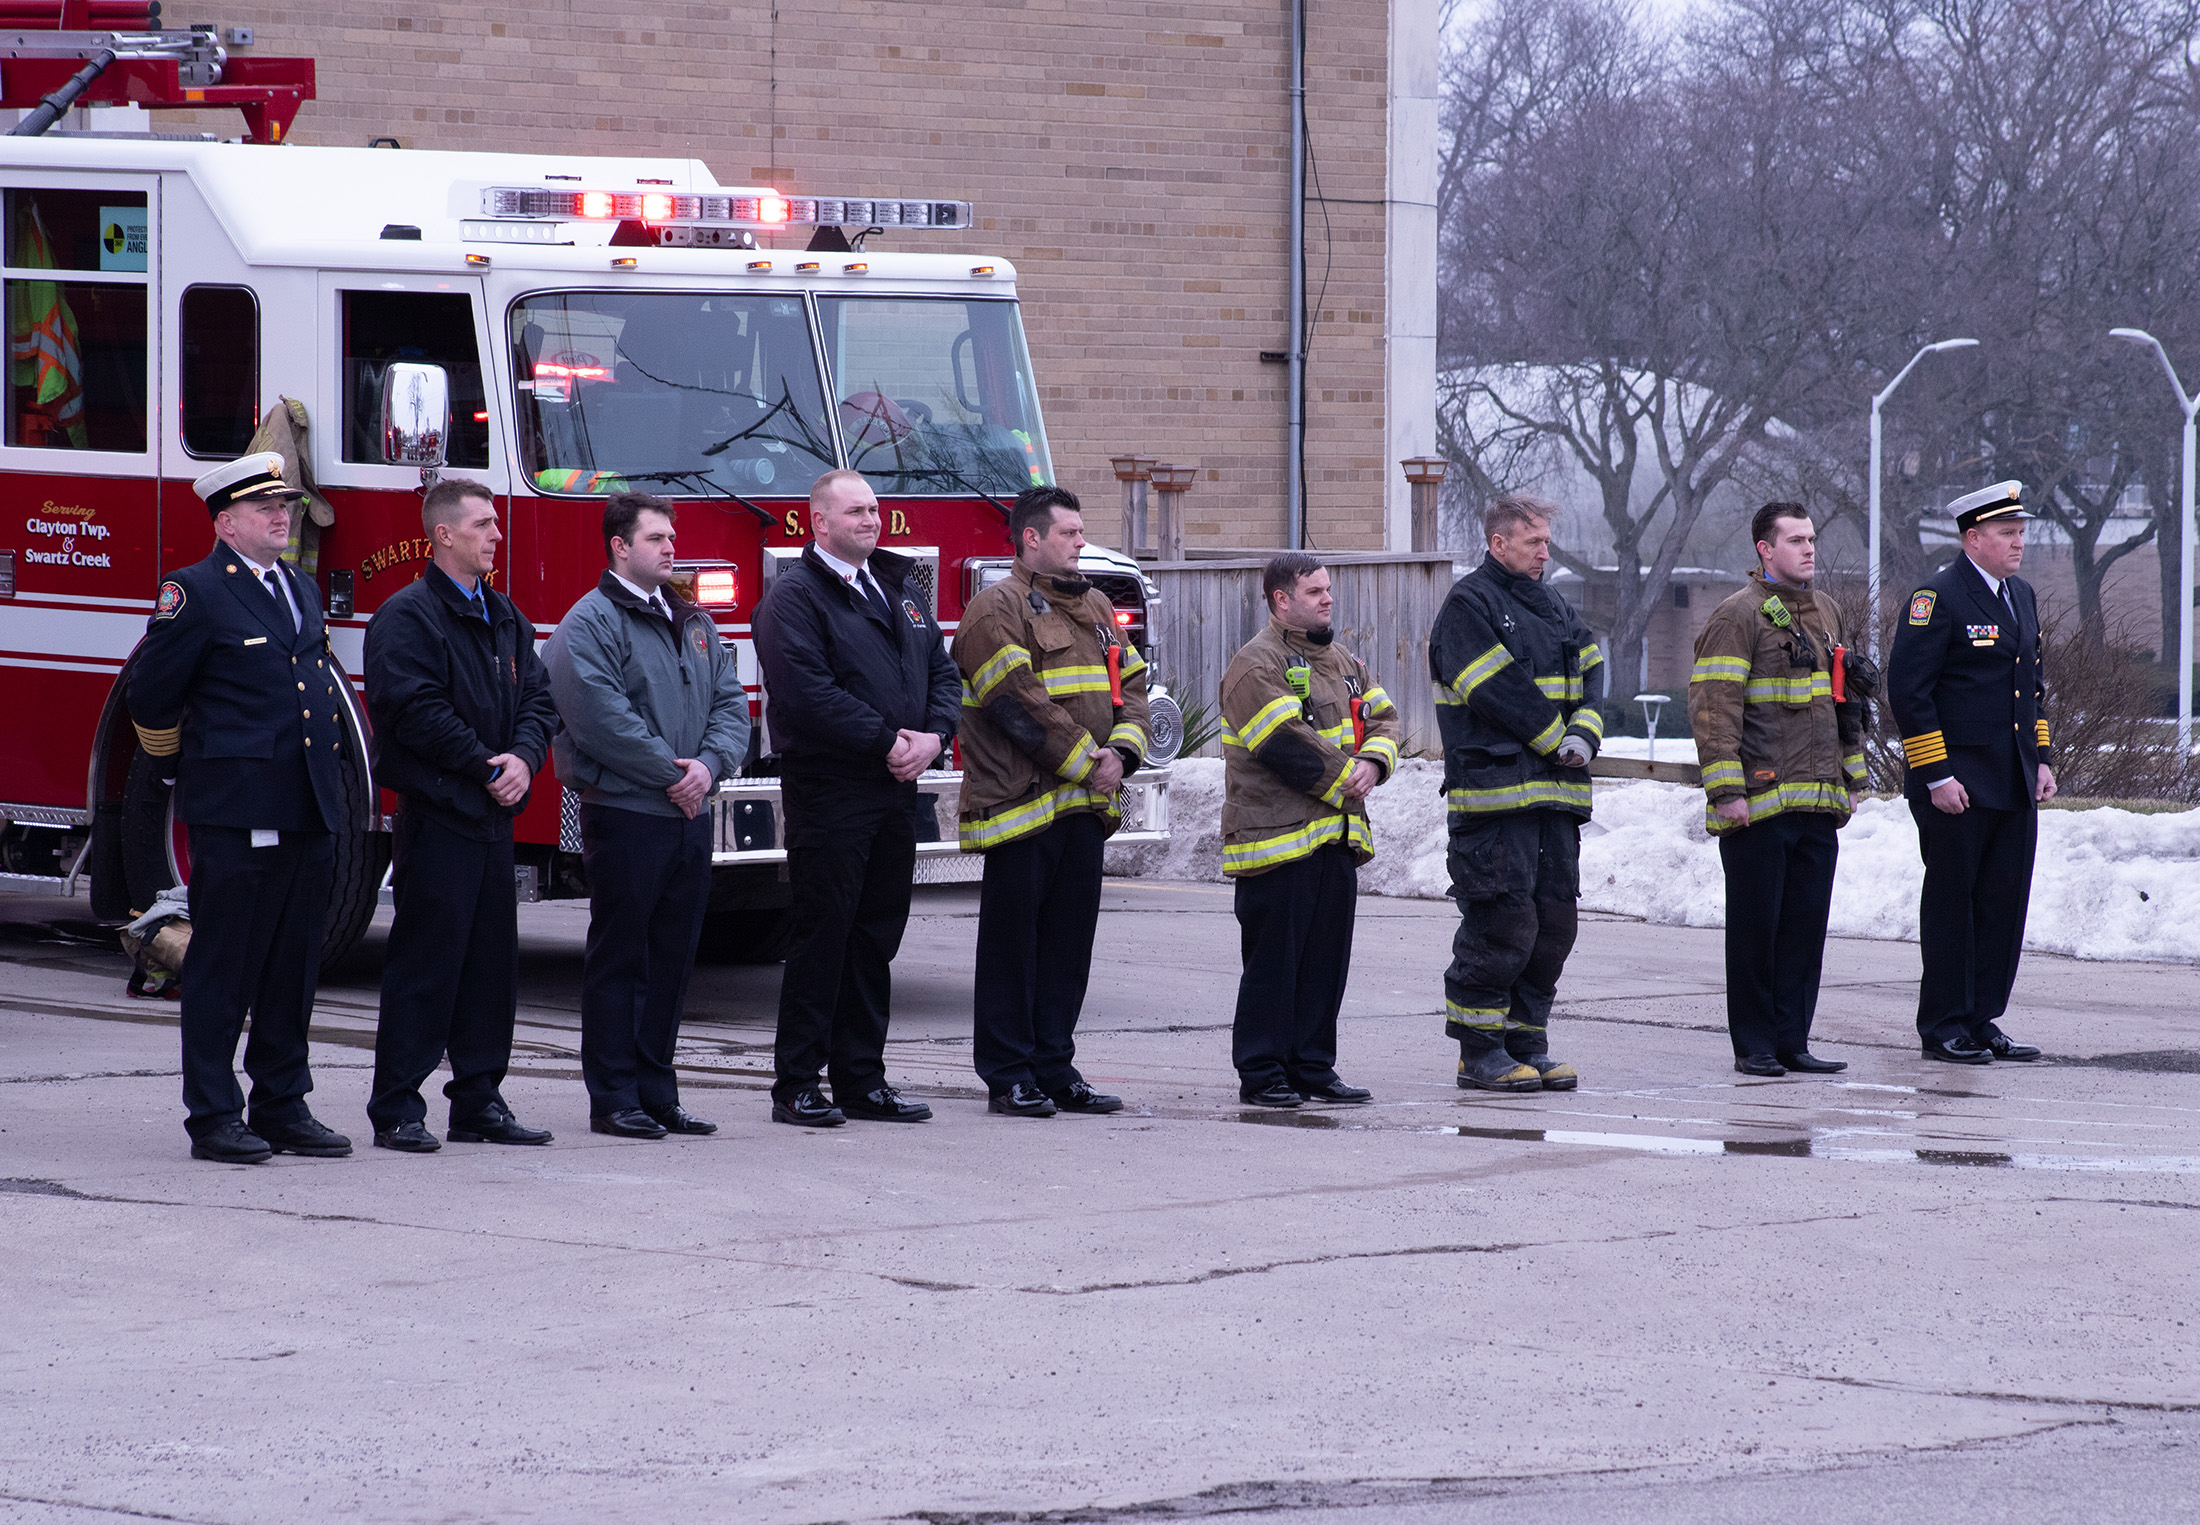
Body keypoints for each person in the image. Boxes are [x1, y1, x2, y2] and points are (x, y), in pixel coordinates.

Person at [125, 452, 354, 1163]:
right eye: (264, 509)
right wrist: (180, 768)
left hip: (307, 803)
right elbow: (150, 692)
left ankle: (282, 1101)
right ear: (225, 524)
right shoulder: (194, 592)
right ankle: (215, 1115)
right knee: (226, 965)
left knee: (293, 964)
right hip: (239, 806)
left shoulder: (299, 587)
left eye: (283, 506)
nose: (281, 517)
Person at [753, 469, 961, 1127]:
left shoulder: (900, 590)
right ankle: (797, 1083)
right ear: (820, 522)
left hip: (896, 786)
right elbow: (807, 693)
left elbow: (943, 670)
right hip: (832, 788)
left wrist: (934, 737)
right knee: (825, 931)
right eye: (854, 512)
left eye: (874, 510)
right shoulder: (794, 599)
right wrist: (885, 741)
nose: (870, 521)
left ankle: (861, 1079)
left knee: (876, 935)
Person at [543, 493, 750, 1138]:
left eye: (671, 537)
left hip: (686, 813)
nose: (670, 548)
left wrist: (709, 769)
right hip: (628, 813)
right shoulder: (591, 622)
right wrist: (675, 774)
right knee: (622, 956)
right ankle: (614, 1096)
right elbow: (601, 720)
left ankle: (659, 1090)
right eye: (656, 538)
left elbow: (730, 703)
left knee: (673, 957)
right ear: (620, 547)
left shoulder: (694, 621)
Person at [363, 478, 558, 1152]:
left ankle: (478, 1099)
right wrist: (484, 765)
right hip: (441, 813)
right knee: (427, 962)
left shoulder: (505, 615)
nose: (496, 535)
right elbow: (413, 710)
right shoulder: (407, 617)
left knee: (490, 967)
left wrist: (525, 760)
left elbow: (539, 697)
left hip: (493, 817)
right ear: (443, 534)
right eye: (482, 524)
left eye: (496, 523)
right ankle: (397, 1106)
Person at [952, 486, 1151, 1117]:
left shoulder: (1094, 605)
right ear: (1031, 539)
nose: (1079, 543)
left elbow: (1135, 682)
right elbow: (1015, 700)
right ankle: (1009, 1074)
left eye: (1081, 532)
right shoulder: (994, 609)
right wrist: (1088, 764)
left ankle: (1055, 1068)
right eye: (1068, 533)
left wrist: (1123, 753)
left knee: (1068, 946)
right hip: (1021, 804)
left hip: (1084, 806)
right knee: (1014, 949)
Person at [1428, 494, 1604, 1092]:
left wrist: (1584, 733)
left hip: (1555, 797)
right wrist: (1558, 737)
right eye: (1534, 543)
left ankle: (1527, 1042)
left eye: (1547, 542)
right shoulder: (1468, 605)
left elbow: (1591, 668)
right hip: (1495, 800)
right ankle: (1479, 1052)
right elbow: (1494, 688)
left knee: (1553, 924)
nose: (1545, 553)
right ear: (1499, 544)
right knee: (1502, 922)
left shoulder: (1554, 604)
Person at [1688, 502, 1867, 1078]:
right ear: (1765, 549)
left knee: (1804, 930)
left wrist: (1852, 777)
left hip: (1818, 803)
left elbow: (1843, 702)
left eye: (1811, 538)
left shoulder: (1828, 612)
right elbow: (1714, 709)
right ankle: (1756, 1046)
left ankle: (1793, 1041)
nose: (1809, 549)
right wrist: (1726, 791)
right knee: (1755, 932)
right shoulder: (1736, 616)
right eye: (1795, 540)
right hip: (1759, 806)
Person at [1219, 553, 1402, 1107]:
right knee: (1274, 964)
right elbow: (1282, 741)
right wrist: (1349, 777)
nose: (1327, 598)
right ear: (1282, 600)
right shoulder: (1256, 665)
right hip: (1275, 840)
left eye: (1328, 589)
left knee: (1326, 962)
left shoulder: (1344, 660)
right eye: (1315, 591)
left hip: (1336, 838)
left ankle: (1312, 1065)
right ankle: (1262, 1071)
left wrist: (1374, 762)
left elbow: (1386, 718)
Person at [1887, 481, 2055, 1065]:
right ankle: (1942, 1023)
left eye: (2021, 532)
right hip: (1955, 784)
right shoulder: (1937, 598)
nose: (2019, 543)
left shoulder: (2022, 595)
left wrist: (2041, 760)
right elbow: (1910, 693)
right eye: (2007, 534)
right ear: (1972, 538)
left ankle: (1982, 1017)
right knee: (1953, 903)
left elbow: (2031, 688)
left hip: (2010, 780)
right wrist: (1935, 775)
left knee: (2002, 904)